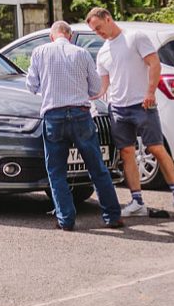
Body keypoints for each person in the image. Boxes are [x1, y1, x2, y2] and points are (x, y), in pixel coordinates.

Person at [85, 6, 174, 219]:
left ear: (108, 18)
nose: (98, 33)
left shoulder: (135, 37)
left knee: (156, 148)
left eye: (99, 28)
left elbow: (154, 64)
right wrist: (92, 97)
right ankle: (137, 201)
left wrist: (150, 92)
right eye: (94, 31)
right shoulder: (103, 52)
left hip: (142, 104)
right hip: (117, 108)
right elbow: (104, 85)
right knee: (127, 153)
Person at [23, 19, 124, 232]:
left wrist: (48, 87)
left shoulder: (40, 52)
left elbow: (31, 85)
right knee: (97, 167)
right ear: (69, 35)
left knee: (57, 171)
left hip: (53, 115)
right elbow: (96, 88)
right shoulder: (82, 53)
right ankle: (112, 216)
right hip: (80, 114)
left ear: (52, 36)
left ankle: (66, 219)